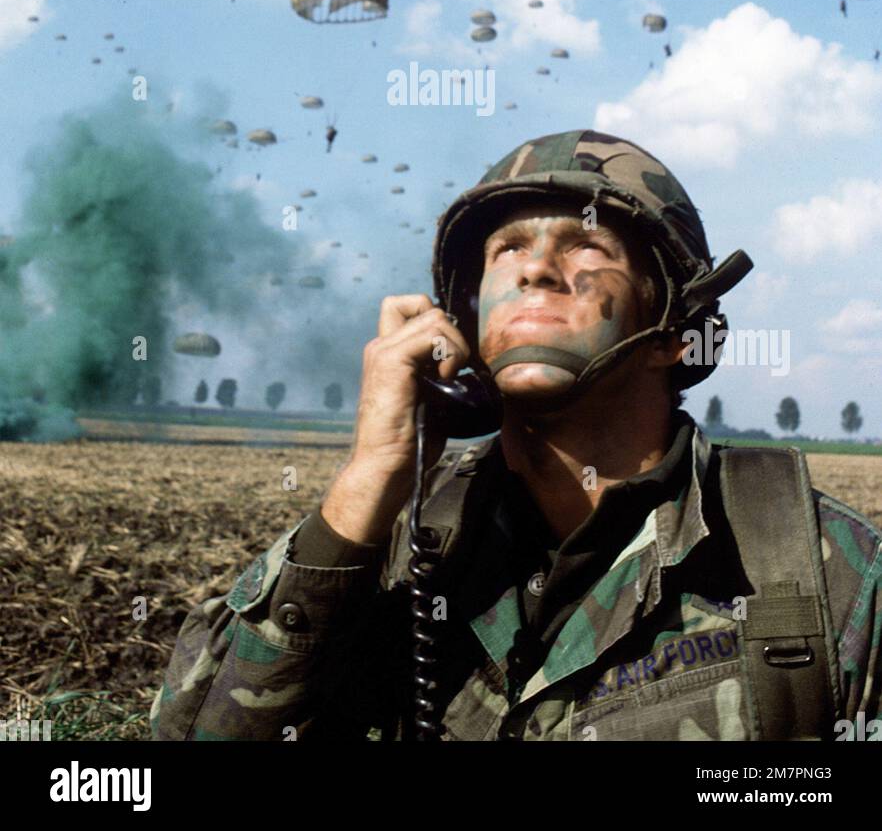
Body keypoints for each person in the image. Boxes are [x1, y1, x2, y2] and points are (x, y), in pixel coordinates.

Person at [151, 130, 882, 742]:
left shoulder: (822, 572)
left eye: (587, 245)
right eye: (506, 250)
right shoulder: (388, 543)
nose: (535, 266)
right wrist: (364, 488)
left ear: (675, 332)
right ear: (462, 322)